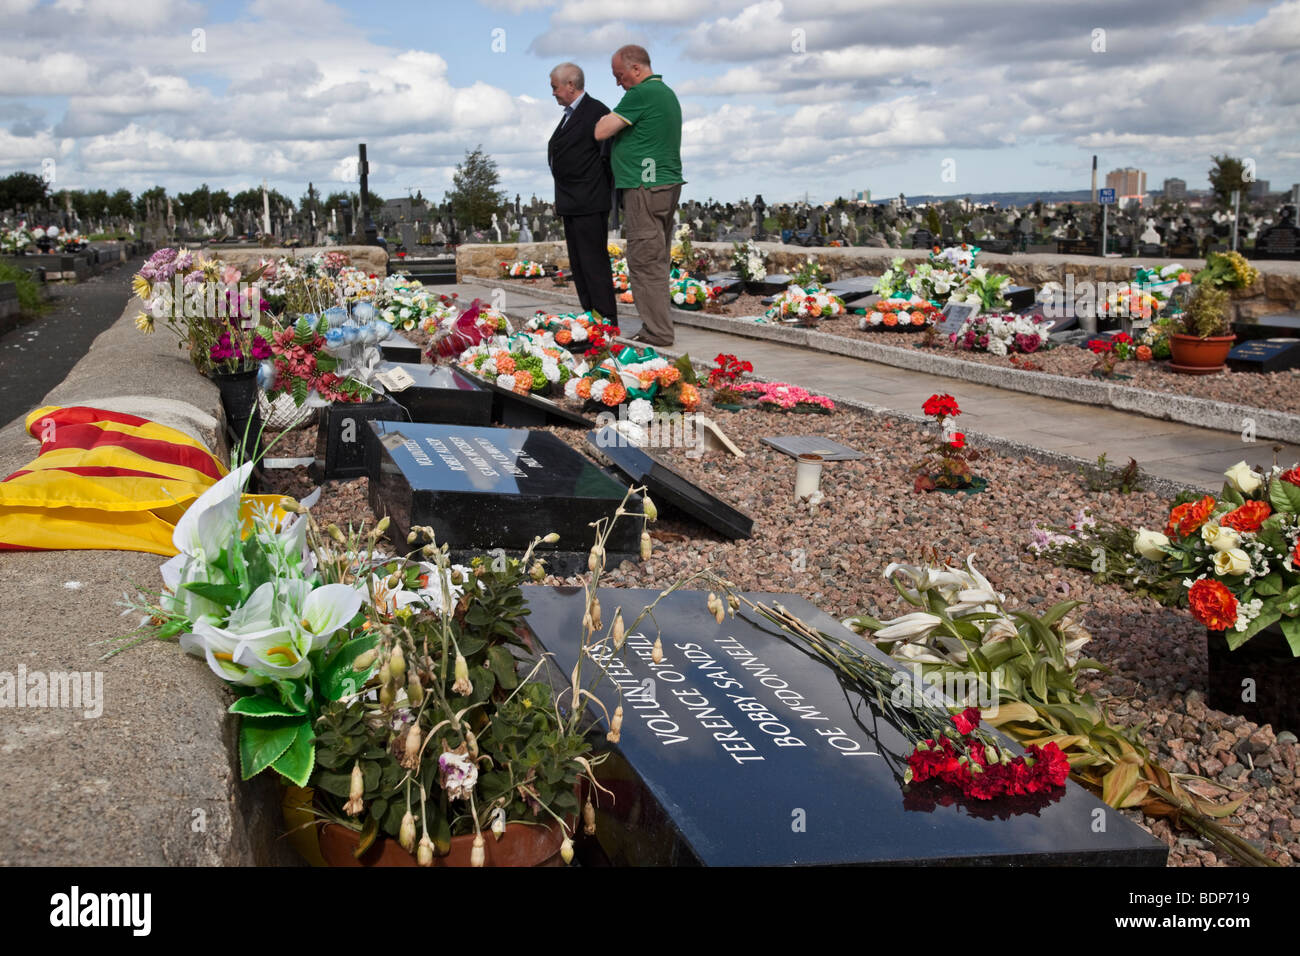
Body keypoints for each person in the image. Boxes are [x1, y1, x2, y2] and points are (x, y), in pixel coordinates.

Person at [594, 44, 683, 347]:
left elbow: (602, 130)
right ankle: (657, 325)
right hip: (664, 185)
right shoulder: (666, 92)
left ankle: (658, 332)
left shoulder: (642, 93)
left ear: (636, 68)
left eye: (619, 75)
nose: (618, 82)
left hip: (645, 186)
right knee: (656, 258)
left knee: (644, 261)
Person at [547, 62, 617, 323]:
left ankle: (606, 319)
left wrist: (596, 190)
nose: (553, 92)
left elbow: (606, 157)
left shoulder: (596, 112)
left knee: (593, 263)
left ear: (571, 85)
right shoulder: (569, 114)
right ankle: (591, 315)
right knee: (579, 265)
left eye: (555, 87)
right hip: (571, 202)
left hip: (588, 201)